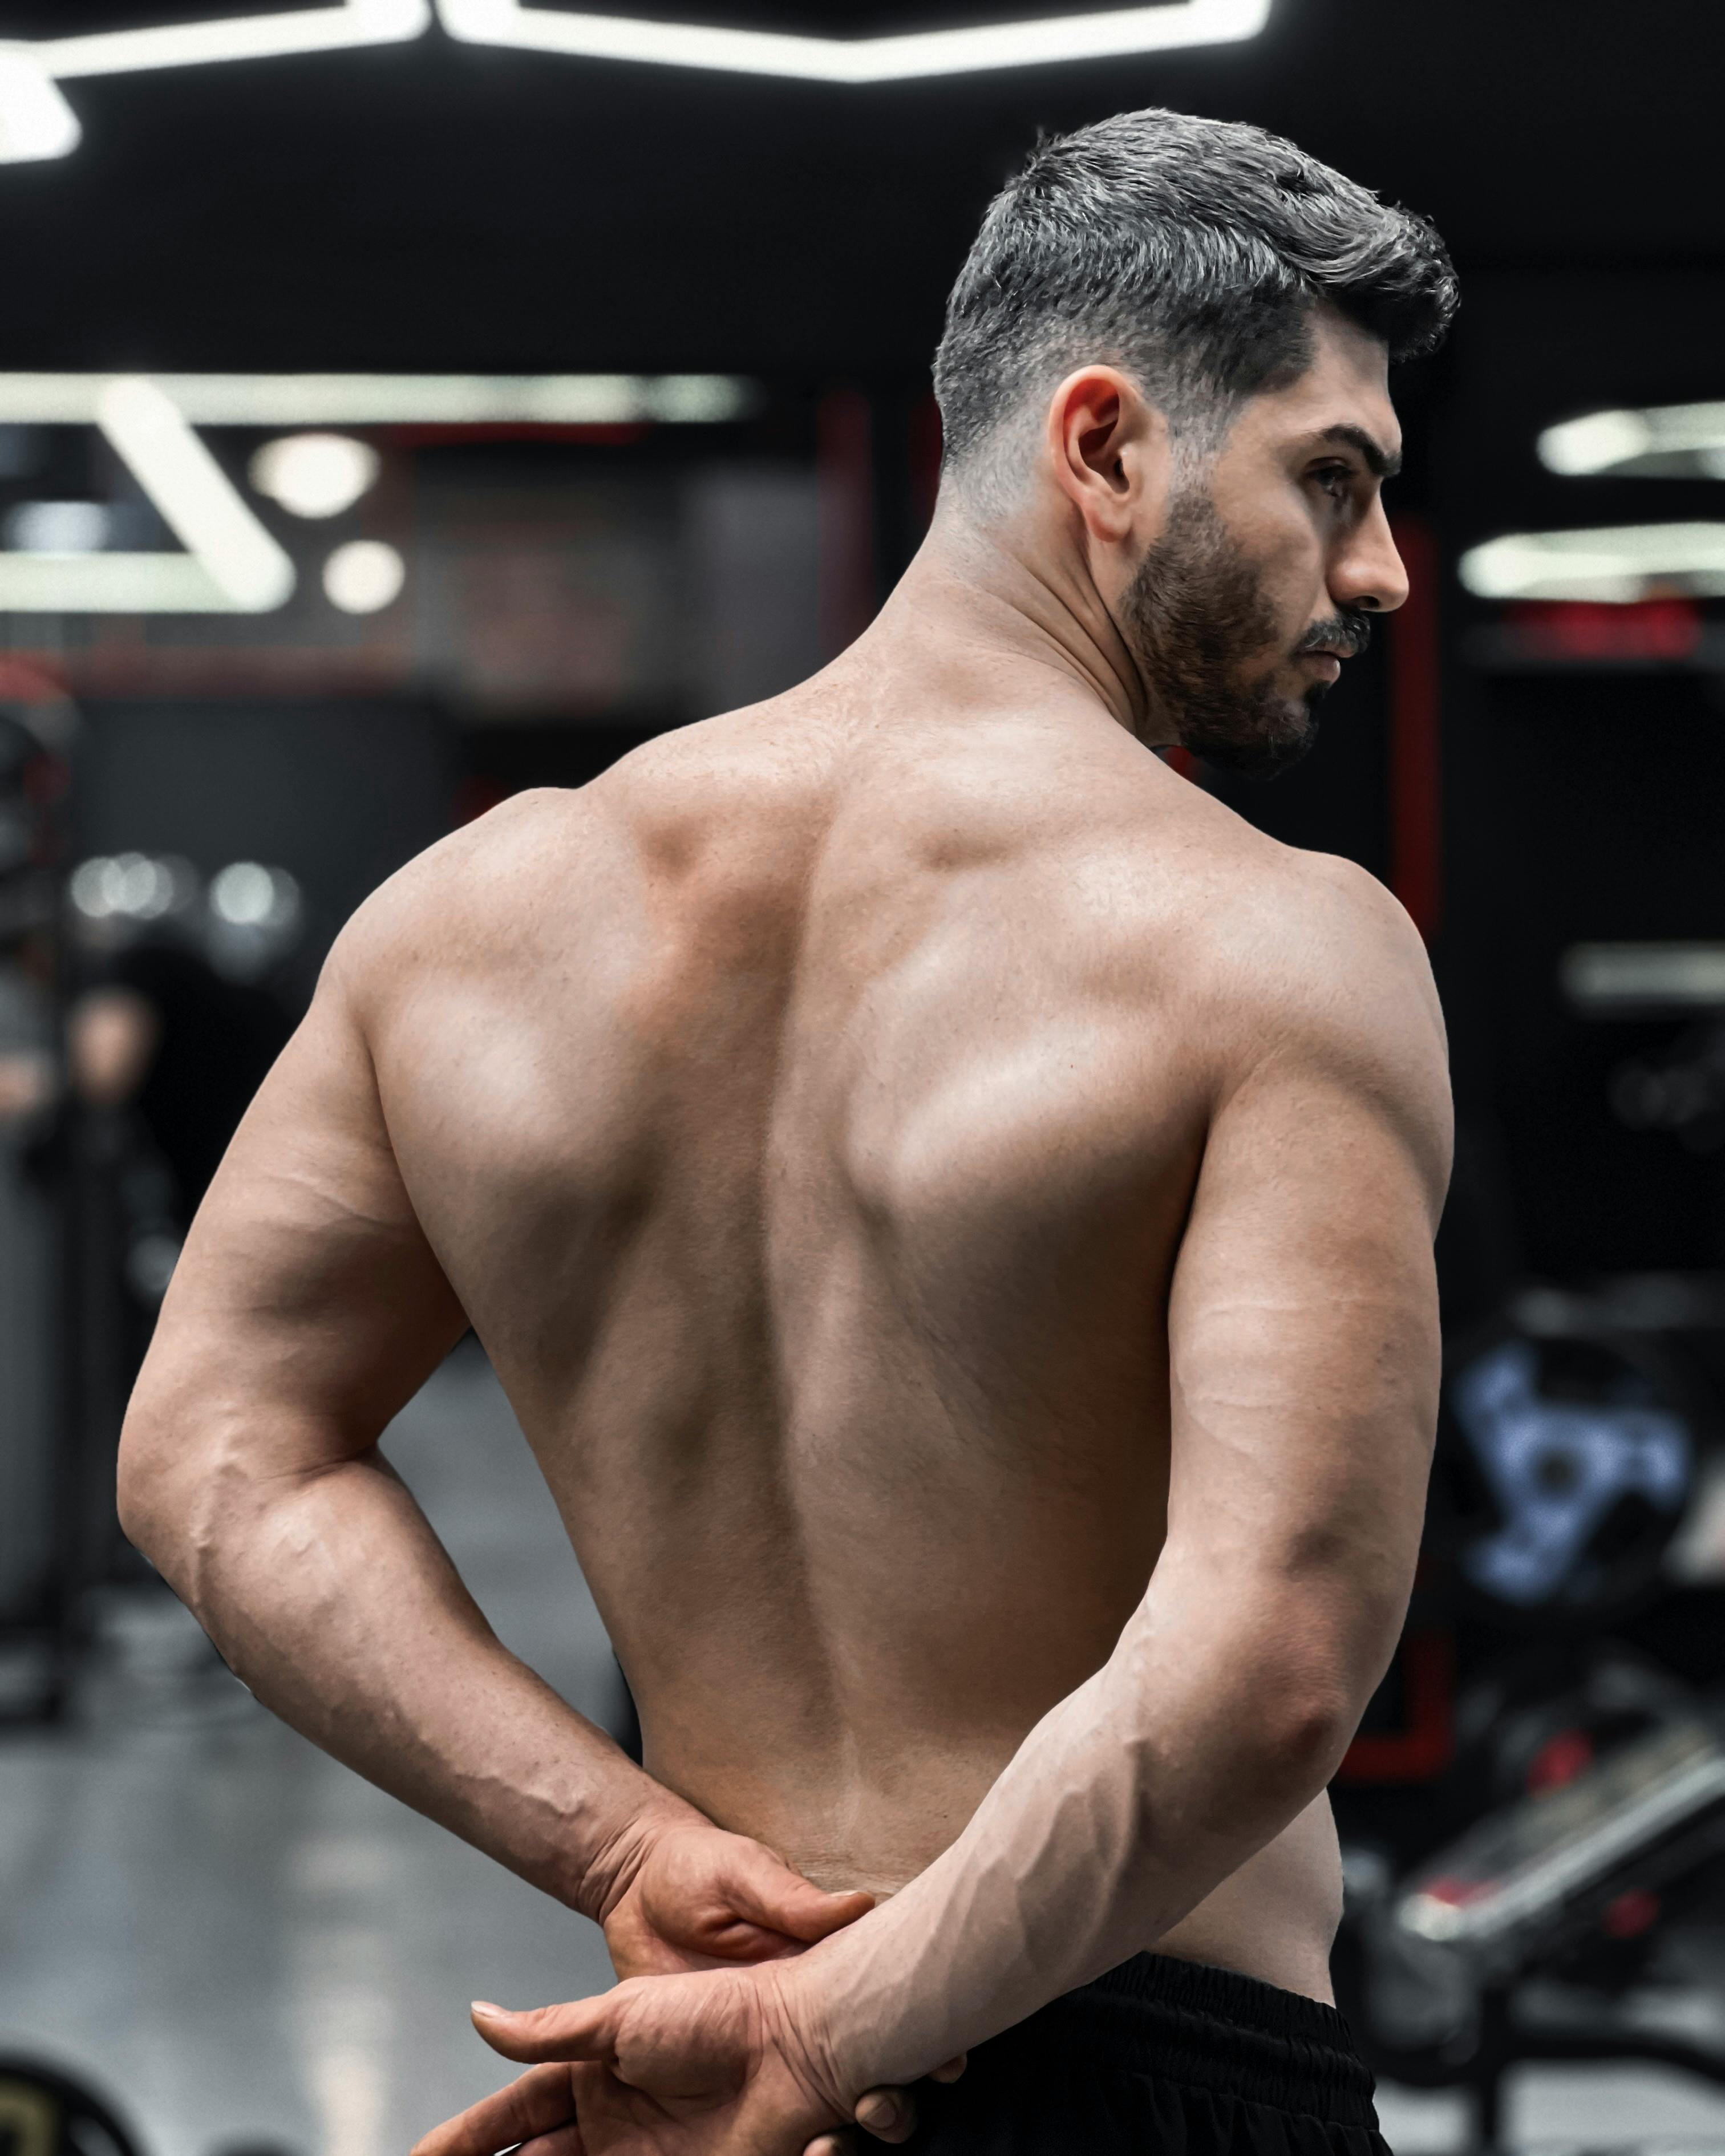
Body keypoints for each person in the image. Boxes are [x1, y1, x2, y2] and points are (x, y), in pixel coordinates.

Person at [117, 108, 1456, 2156]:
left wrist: (634, 1859)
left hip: (717, 2049)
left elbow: (218, 1456)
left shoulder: (472, 921)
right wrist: (828, 2032)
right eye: (1333, 479)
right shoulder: (1277, 945)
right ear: (1103, 447)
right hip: (1108, 2062)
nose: (1378, 566)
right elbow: (1273, 1663)